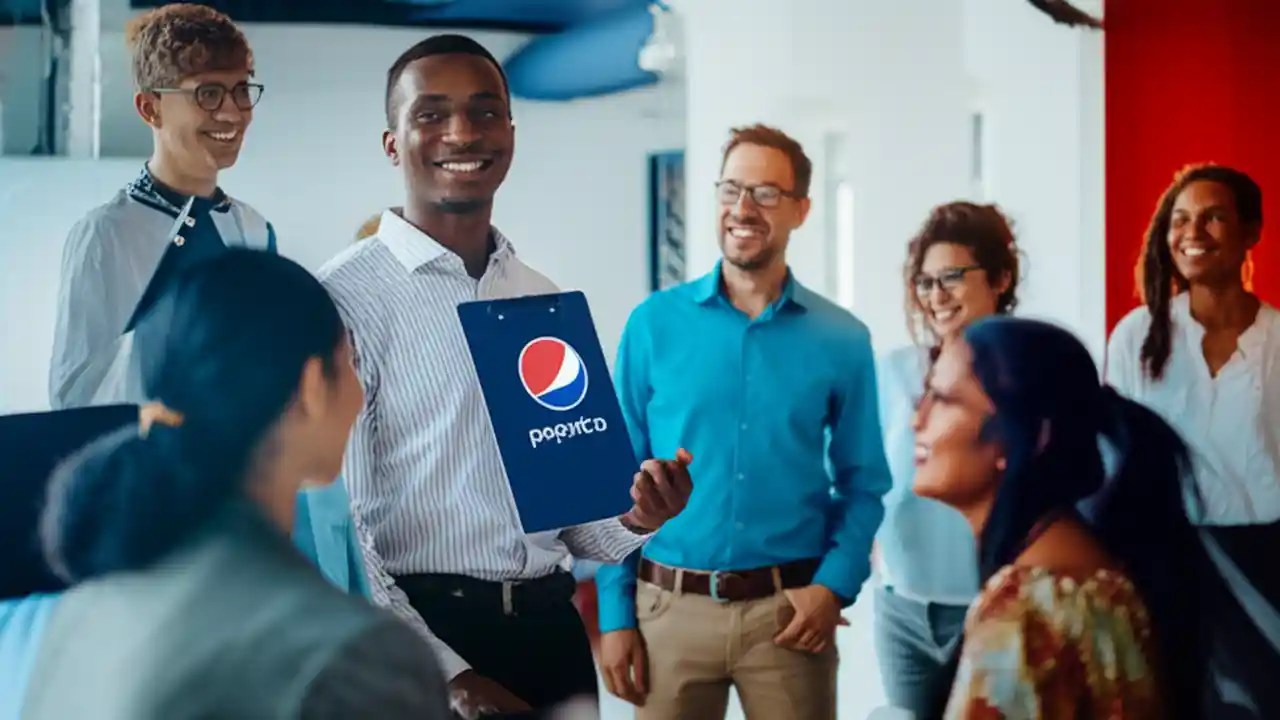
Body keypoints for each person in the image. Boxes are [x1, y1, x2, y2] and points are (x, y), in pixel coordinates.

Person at [317, 34, 695, 718]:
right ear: (392, 143)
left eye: (485, 111)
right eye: (430, 114)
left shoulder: (539, 297)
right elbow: (339, 535)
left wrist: (640, 514)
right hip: (424, 638)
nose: (463, 131)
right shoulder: (340, 301)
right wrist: (451, 676)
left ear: (511, 133)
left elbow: (580, 530)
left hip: (550, 635)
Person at [20, 250, 451, 719]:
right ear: (311, 385)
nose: (361, 390)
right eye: (351, 362)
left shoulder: (69, 622)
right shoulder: (352, 654)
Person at [594, 124, 892, 720]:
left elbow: (865, 485)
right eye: (731, 189)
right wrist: (615, 615)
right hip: (667, 613)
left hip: (788, 618)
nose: (742, 208)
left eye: (765, 193)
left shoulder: (842, 339)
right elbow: (612, 482)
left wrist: (833, 587)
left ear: (801, 209)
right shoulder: (652, 324)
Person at [914, 316, 1211, 719]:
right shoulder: (1088, 572)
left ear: (1031, 436)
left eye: (944, 399)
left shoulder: (1027, 609)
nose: (918, 420)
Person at [1106, 163, 1279, 717]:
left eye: (1213, 218)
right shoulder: (1137, 335)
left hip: (1268, 560)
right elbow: (1115, 458)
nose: (1192, 233)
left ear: (1252, 230)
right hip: (1165, 556)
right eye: (1180, 220)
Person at [48, 4, 273, 410]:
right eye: (207, 93)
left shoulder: (254, 228)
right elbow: (73, 401)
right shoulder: (107, 234)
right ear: (150, 108)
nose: (233, 112)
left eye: (242, 89)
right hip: (150, 468)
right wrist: (171, 327)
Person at [872, 202, 1020, 717]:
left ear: (1000, 278)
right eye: (926, 282)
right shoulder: (894, 371)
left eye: (952, 277)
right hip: (903, 609)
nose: (936, 296)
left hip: (992, 607)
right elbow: (861, 482)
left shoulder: (1028, 373)